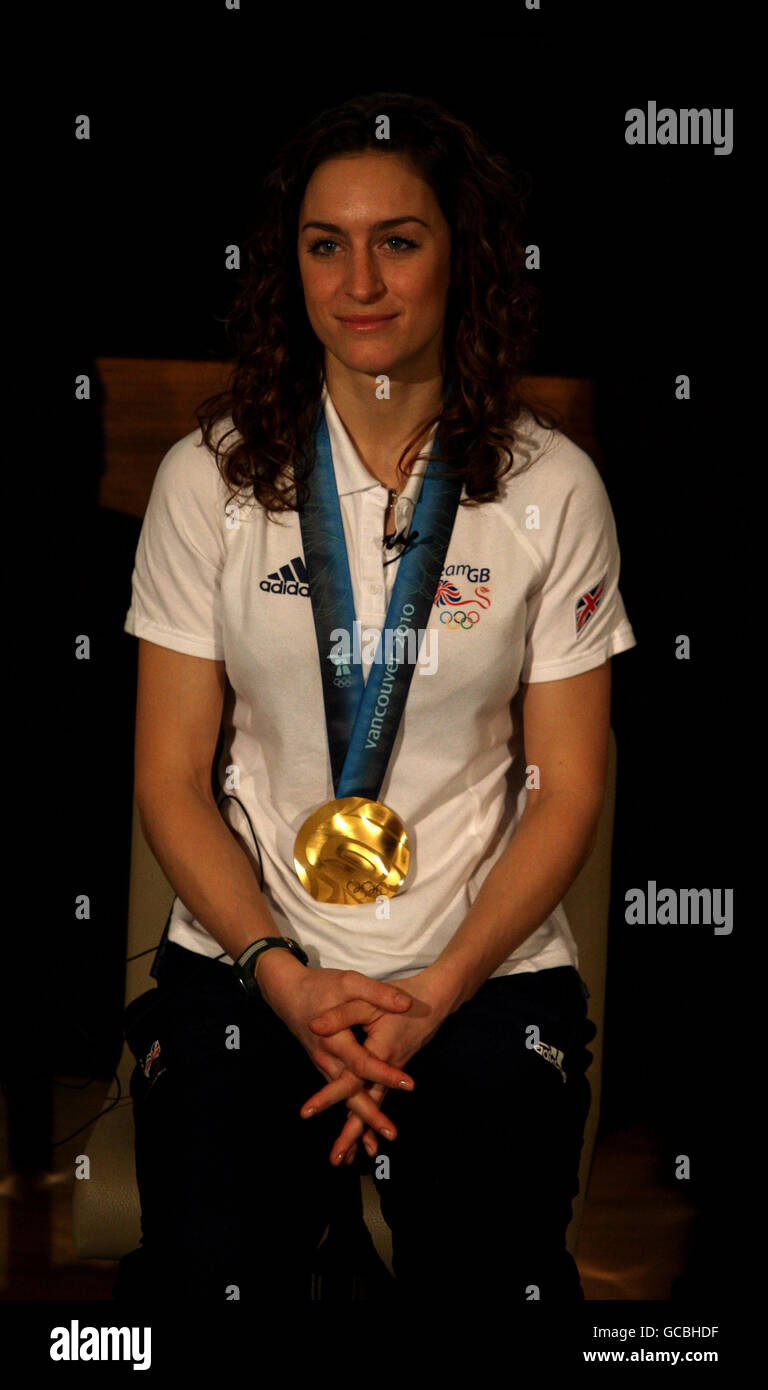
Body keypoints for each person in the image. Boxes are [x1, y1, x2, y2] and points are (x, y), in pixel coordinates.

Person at [117, 91, 636, 1303]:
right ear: (288, 263)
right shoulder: (211, 478)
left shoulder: (550, 486)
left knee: (496, 1286)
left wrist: (434, 992)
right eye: (324, 243)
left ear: (463, 258)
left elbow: (568, 793)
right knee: (206, 1278)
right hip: (251, 964)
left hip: (481, 975)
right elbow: (166, 777)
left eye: (397, 240)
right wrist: (284, 978)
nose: (359, 280)